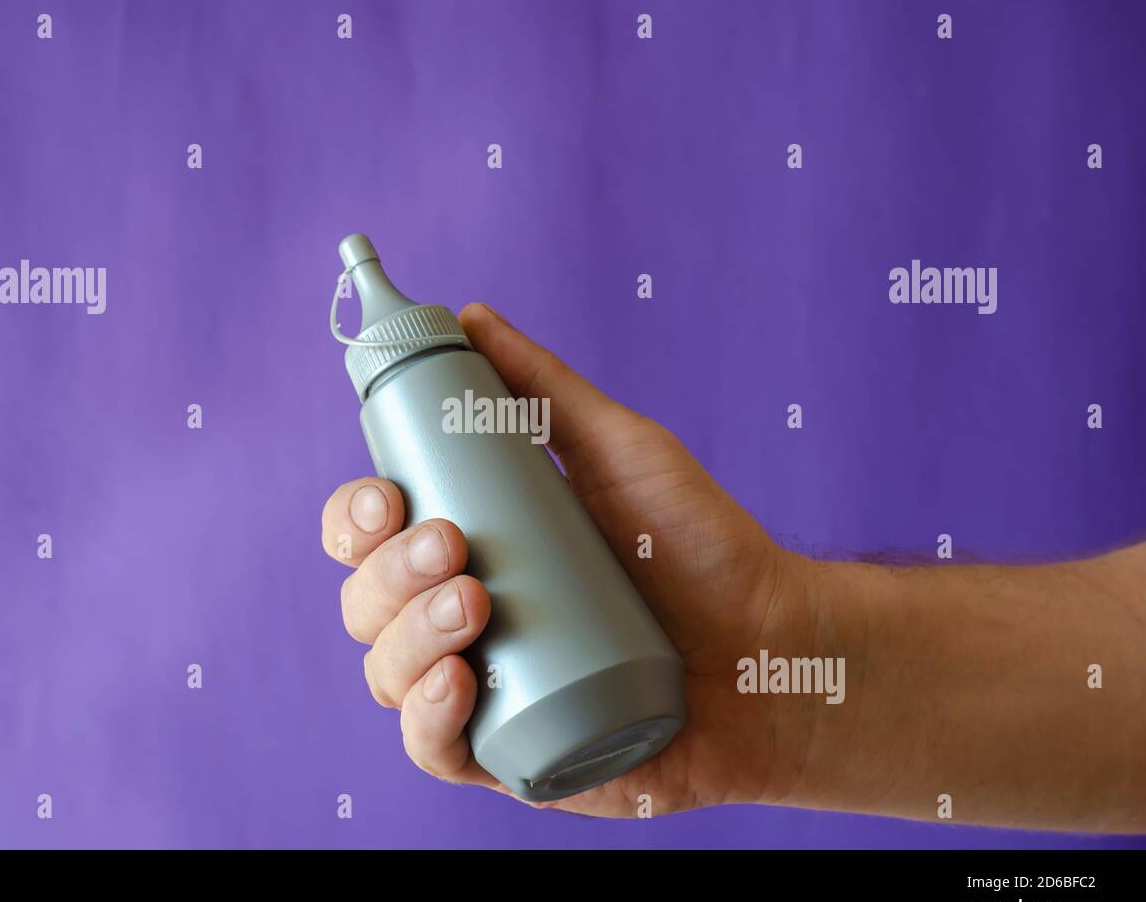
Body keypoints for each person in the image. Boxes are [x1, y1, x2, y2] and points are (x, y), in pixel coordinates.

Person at [320, 303, 1146, 832]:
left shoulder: (458, 380)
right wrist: (769, 657)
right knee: (428, 561)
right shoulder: (434, 399)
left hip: (633, 694)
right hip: (663, 695)